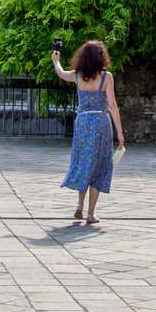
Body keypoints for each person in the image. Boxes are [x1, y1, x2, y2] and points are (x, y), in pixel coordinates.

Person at [52, 39, 124, 224]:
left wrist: (56, 60)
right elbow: (113, 105)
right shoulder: (106, 77)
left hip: (83, 121)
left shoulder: (77, 76)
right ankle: (91, 214)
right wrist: (120, 133)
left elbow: (61, 73)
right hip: (101, 121)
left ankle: (79, 204)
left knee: (84, 161)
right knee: (99, 165)